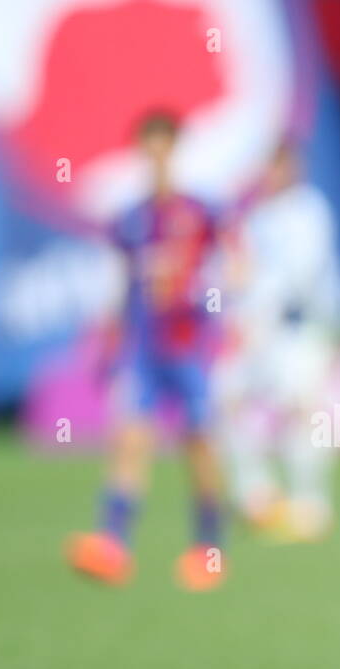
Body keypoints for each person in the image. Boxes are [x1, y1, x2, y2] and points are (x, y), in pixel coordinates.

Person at [67, 111, 226, 591]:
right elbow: (120, 283)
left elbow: (236, 267)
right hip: (143, 347)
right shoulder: (131, 220)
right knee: (131, 437)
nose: (156, 158)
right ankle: (112, 543)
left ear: (176, 149)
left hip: (190, 346)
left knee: (198, 444)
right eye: (148, 149)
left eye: (164, 148)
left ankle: (208, 549)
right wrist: (110, 334)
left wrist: (203, 294)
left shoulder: (202, 213)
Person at [215, 141, 340, 542]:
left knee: (303, 412)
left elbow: (302, 276)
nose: (273, 175)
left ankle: (310, 506)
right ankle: (256, 496)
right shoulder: (256, 216)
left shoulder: (309, 210)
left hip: (301, 327)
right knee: (228, 398)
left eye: (280, 166)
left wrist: (260, 311)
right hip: (259, 331)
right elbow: (241, 272)